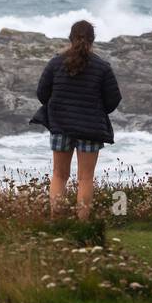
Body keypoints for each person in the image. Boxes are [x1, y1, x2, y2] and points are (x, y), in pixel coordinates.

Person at [30, 20, 122, 220]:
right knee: (85, 178)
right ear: (92, 40)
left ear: (70, 38)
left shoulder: (56, 63)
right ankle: (82, 223)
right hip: (90, 129)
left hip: (60, 126)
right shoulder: (102, 67)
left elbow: (41, 94)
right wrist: (97, 110)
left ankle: (57, 219)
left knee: (59, 175)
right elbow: (114, 100)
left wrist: (56, 107)